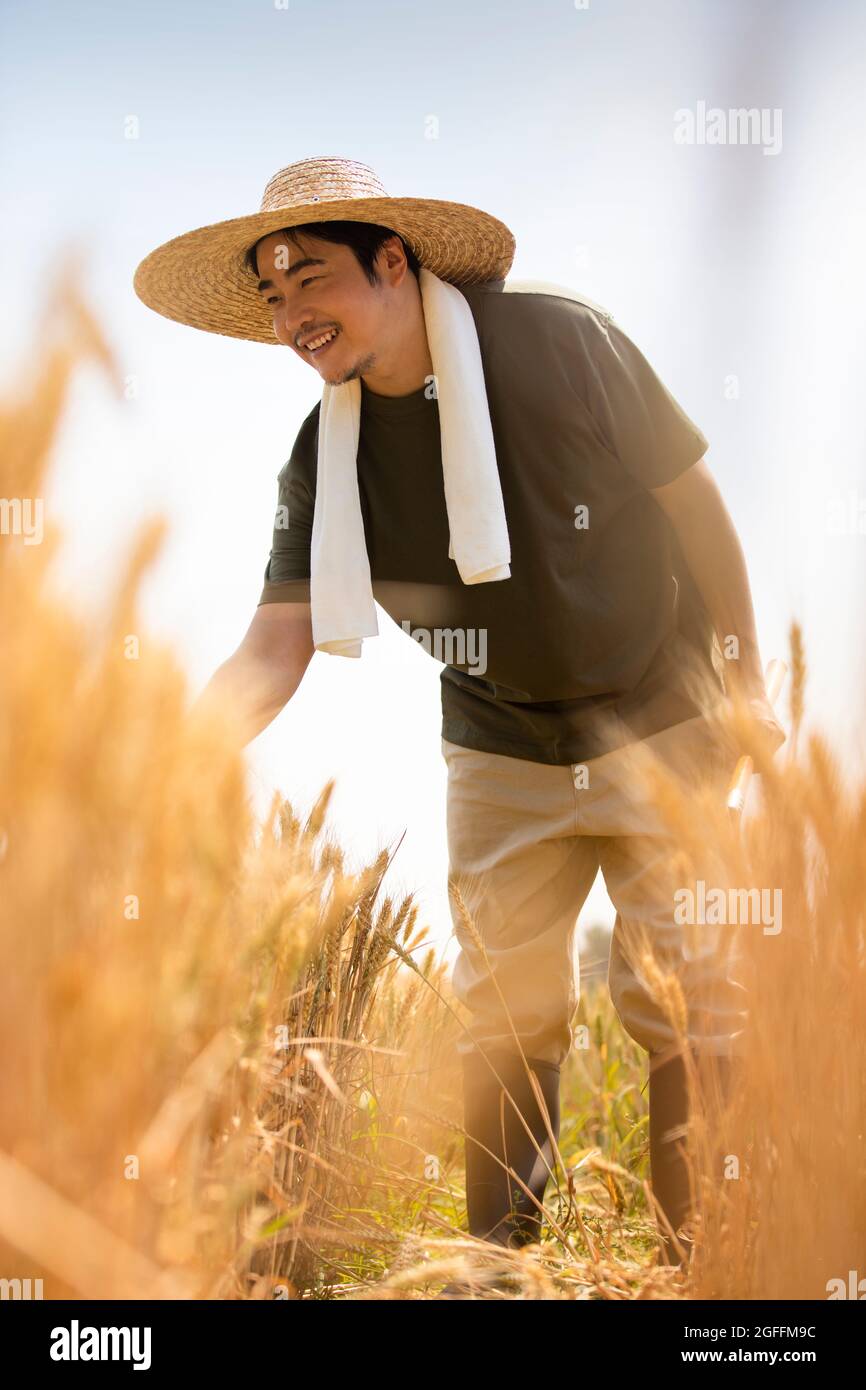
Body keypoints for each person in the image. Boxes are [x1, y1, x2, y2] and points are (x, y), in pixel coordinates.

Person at [133, 155, 785, 1275]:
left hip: (662, 709)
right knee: (504, 1010)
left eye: (311, 279)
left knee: (687, 991)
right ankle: (496, 1275)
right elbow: (275, 645)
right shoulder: (322, 459)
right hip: (498, 739)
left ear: (392, 262)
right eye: (273, 295)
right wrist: (153, 765)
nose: (290, 315)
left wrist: (746, 676)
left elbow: (694, 502)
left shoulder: (561, 342)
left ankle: (704, 1271)